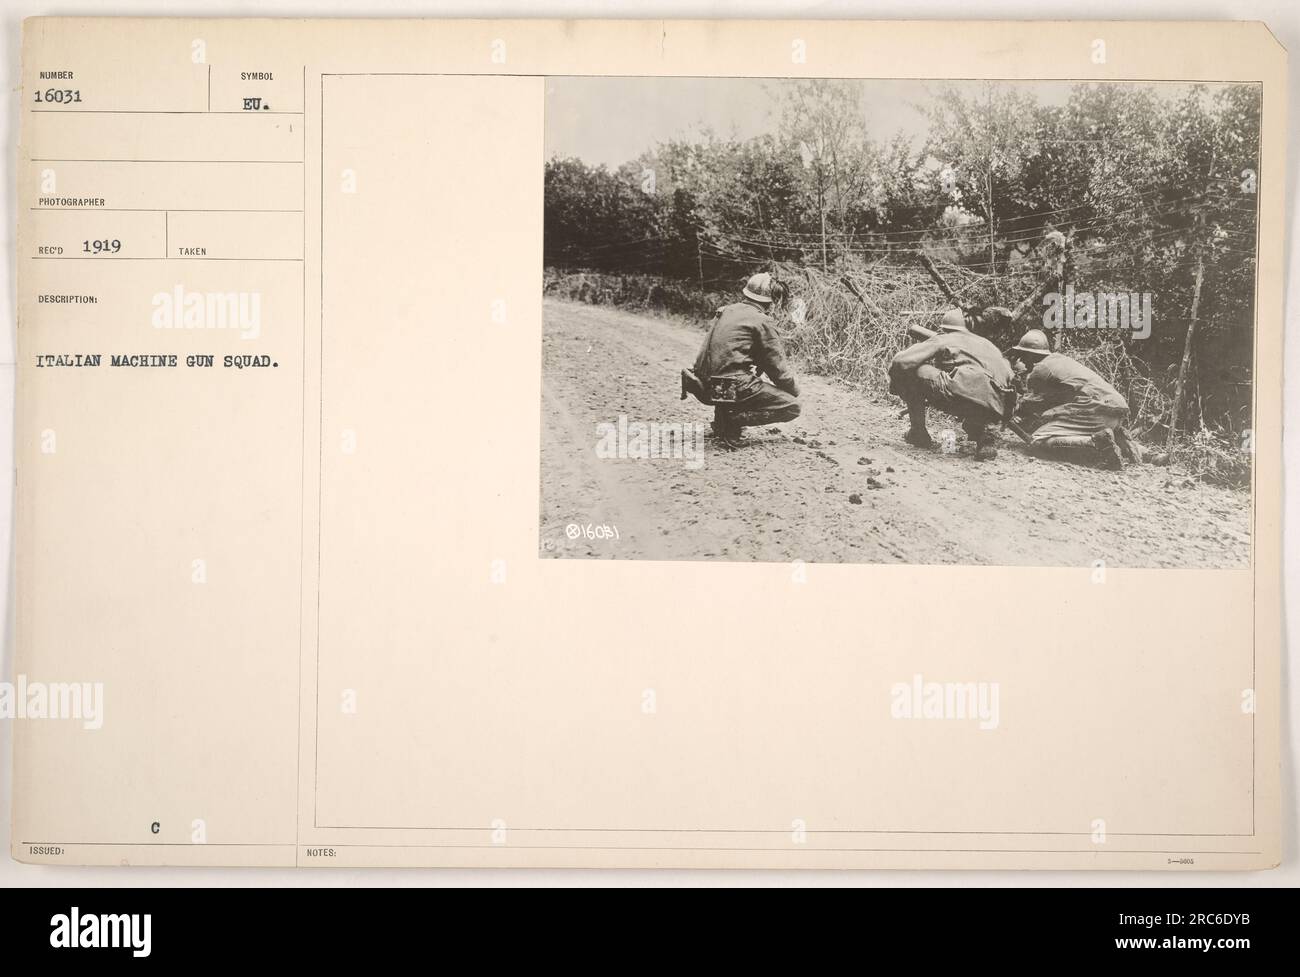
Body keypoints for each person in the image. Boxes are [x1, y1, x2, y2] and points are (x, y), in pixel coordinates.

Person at [681, 272, 801, 447]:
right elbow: (777, 369)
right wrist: (792, 389)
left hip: (702, 381)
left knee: (732, 374)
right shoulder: (761, 320)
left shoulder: (725, 310)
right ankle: (732, 420)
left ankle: (722, 418)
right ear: (770, 301)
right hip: (726, 386)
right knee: (792, 406)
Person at [888, 311, 1015, 461]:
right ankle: (984, 437)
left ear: (944, 328)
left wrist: (897, 382)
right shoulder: (989, 345)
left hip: (963, 394)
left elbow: (901, 362)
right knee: (977, 392)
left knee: (913, 370)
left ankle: (918, 432)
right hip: (999, 404)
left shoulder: (944, 338)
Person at [1008, 329, 1130, 470]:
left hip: (1095, 411)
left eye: (1023, 355)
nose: (1021, 360)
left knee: (1037, 440)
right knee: (1065, 428)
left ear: (1031, 354)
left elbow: (1029, 405)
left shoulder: (1041, 369)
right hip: (1115, 414)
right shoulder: (1060, 361)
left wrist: (1012, 405)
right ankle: (1151, 456)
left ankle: (1096, 443)